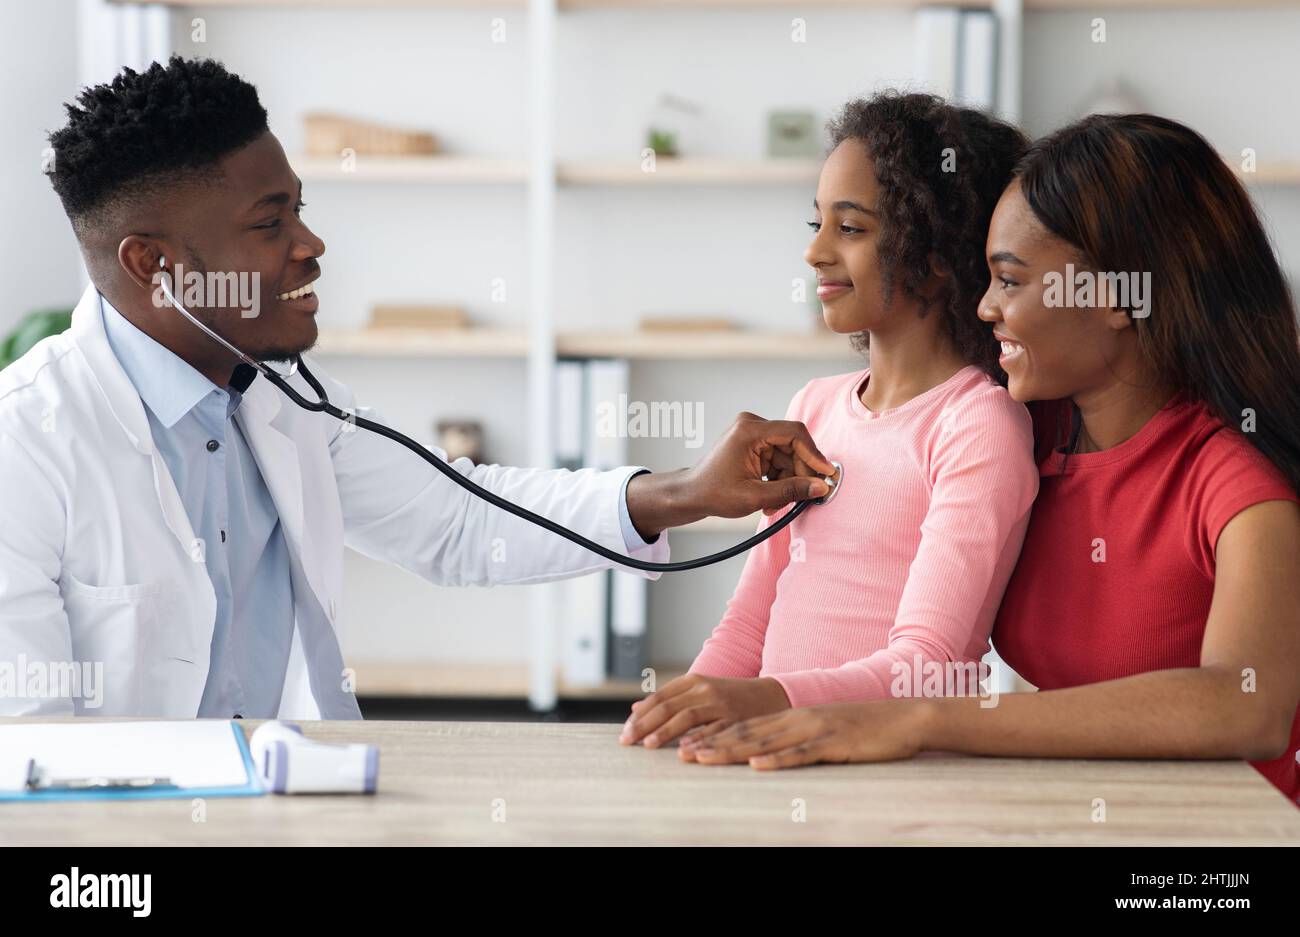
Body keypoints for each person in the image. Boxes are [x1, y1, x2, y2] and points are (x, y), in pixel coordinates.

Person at [0, 57, 835, 719]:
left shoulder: (285, 400)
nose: (311, 244)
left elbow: (463, 521)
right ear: (154, 265)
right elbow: (27, 753)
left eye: (299, 209)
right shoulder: (26, 443)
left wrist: (689, 491)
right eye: (270, 223)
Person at [681, 113, 1300, 807]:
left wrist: (918, 715)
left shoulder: (1242, 486)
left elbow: (1247, 706)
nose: (984, 306)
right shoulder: (1037, 442)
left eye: (1009, 281)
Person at [622, 93, 1037, 748]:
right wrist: (673, 723)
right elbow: (746, 628)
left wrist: (760, 699)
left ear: (937, 259)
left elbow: (924, 668)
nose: (815, 252)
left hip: (895, 772)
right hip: (778, 750)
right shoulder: (812, 409)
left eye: (850, 229)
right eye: (816, 224)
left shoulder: (976, 426)